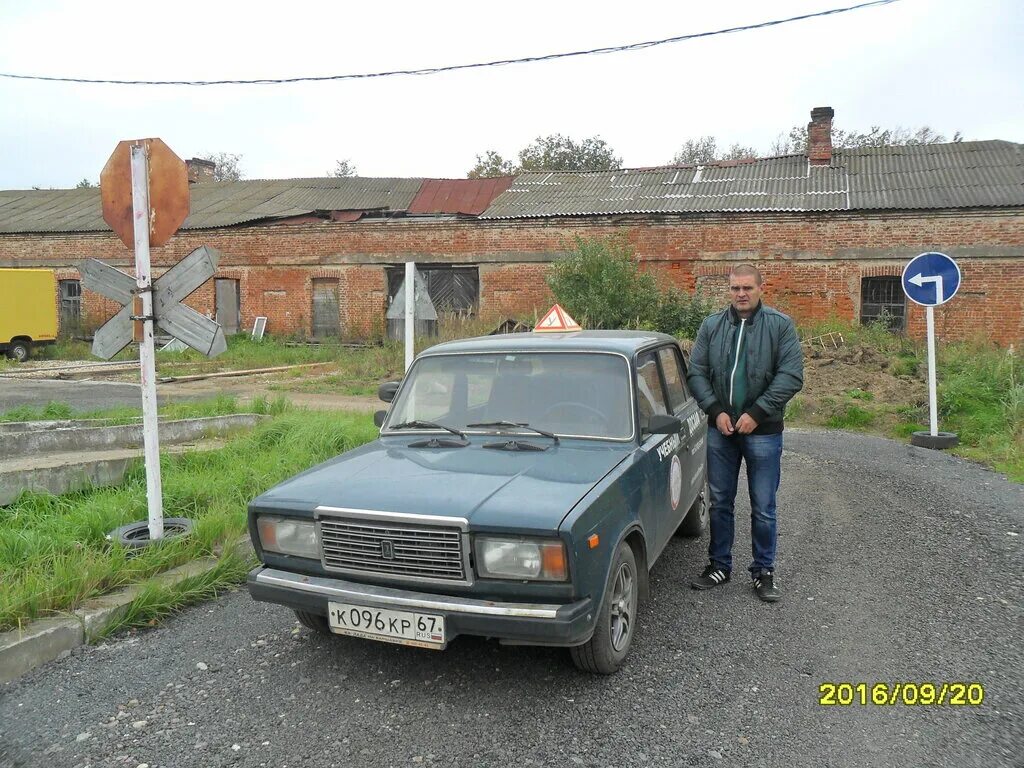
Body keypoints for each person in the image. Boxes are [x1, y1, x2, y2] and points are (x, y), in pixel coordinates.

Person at [685, 264, 803, 602]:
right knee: (720, 502)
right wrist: (715, 411)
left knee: (763, 506)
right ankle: (719, 565)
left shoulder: (780, 326)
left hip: (763, 433)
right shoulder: (712, 326)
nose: (741, 294)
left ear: (760, 288)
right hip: (721, 430)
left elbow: (791, 375)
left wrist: (757, 413)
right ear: (729, 290)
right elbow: (697, 372)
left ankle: (763, 571)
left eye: (747, 288)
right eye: (735, 288)